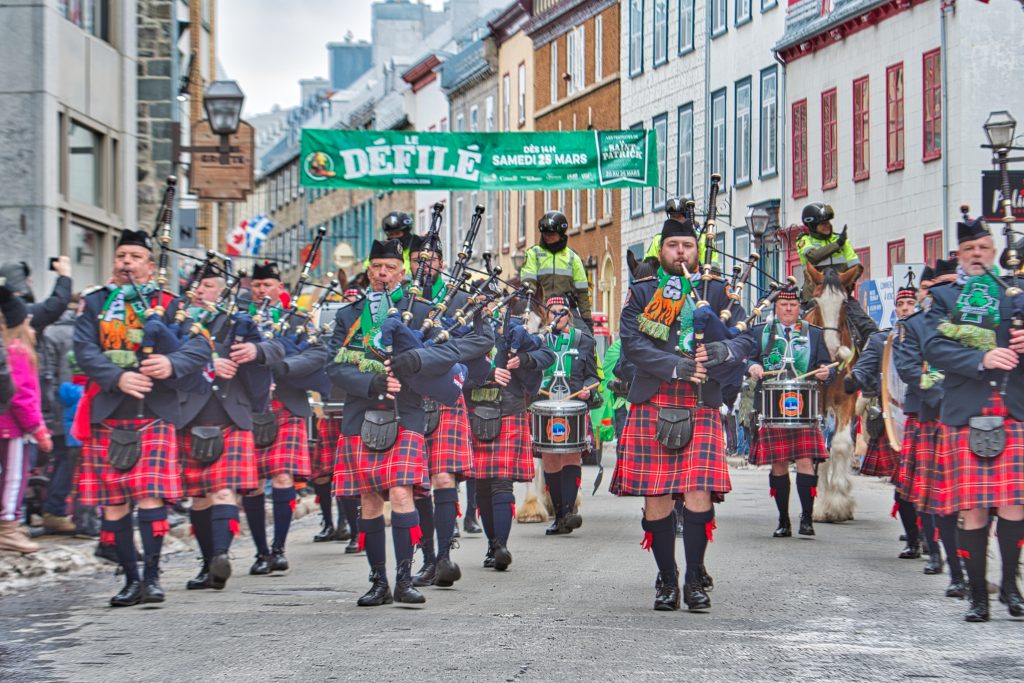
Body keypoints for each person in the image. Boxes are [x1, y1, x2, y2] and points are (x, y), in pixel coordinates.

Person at [610, 217, 747, 612]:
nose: (681, 252)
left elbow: (744, 338)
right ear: (661, 250)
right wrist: (675, 365)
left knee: (698, 492)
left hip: (701, 401)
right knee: (657, 497)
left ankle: (693, 578)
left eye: (688, 245)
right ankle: (667, 579)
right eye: (673, 246)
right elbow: (632, 344)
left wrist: (723, 352)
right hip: (654, 396)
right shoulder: (642, 292)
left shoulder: (716, 291)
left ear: (697, 250)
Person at [72, 229, 212, 606]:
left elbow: (199, 347)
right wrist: (116, 377)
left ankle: (151, 578)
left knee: (150, 497)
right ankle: (131, 580)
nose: (126, 263)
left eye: (135, 257)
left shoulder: (170, 304)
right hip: (110, 413)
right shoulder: (98, 303)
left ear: (151, 267)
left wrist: (170, 362)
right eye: (121, 256)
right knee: (115, 502)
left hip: (154, 411)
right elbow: (84, 349)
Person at [328, 238, 462, 606]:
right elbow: (334, 367)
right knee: (370, 500)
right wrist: (370, 381)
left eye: (390, 268)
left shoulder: (420, 311)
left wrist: (413, 362)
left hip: (406, 413)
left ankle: (405, 578)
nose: (382, 274)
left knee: (402, 492)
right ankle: (378, 582)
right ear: (368, 271)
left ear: (402, 272)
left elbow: (447, 354)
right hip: (361, 416)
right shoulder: (348, 316)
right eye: (376, 268)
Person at [923, 218, 1024, 622]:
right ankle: (978, 594)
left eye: (984, 247)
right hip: (967, 410)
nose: (978, 254)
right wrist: (979, 359)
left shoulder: (1015, 294)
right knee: (975, 509)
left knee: (1015, 504)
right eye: (970, 249)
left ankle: (1011, 588)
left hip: (1013, 407)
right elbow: (934, 346)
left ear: (994, 249)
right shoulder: (948, 298)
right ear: (960, 255)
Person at [178, 264, 283, 591]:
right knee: (198, 498)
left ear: (221, 289)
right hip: (191, 414)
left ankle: (221, 557)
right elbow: (168, 358)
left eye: (207, 284)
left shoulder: (238, 319)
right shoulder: (178, 322)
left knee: (224, 490)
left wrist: (256, 350)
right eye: (196, 285)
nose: (199, 290)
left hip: (230, 413)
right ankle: (208, 563)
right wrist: (207, 363)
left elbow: (274, 349)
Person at [406, 235, 495, 589]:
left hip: (445, 397)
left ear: (442, 262)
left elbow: (484, 339)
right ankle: (427, 557)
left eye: (430, 259)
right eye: (417, 260)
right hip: (410, 398)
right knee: (416, 485)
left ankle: (444, 556)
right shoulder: (403, 299)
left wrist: (441, 353)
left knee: (442, 478)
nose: (423, 265)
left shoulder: (462, 297)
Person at [465, 294, 554, 572]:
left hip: (508, 409)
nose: (486, 305)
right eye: (480, 300)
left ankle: (501, 545)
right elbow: (450, 367)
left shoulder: (513, 328)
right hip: (475, 410)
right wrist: (484, 375)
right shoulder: (463, 329)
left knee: (501, 482)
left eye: (489, 300)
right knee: (481, 485)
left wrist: (524, 360)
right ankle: (492, 545)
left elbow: (546, 355)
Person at [240, 260, 318, 575]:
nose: (262, 291)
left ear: (279, 288)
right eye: (257, 286)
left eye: (267, 285)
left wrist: (283, 363)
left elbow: (313, 354)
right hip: (249, 407)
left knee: (283, 477)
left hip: (285, 403)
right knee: (252, 483)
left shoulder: (295, 320)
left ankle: (279, 549)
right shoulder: (238, 319)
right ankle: (260, 552)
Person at [895, 259, 965, 596]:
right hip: (928, 411)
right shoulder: (915, 325)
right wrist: (941, 395)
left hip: (964, 413)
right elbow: (909, 368)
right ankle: (936, 553)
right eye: (943, 287)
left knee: (962, 494)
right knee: (928, 491)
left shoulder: (969, 318)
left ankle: (964, 564)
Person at [741, 286, 834, 537]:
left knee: (806, 462)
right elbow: (746, 359)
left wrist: (827, 371)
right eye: (783, 304)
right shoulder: (761, 332)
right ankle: (783, 519)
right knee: (779, 465)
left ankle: (806, 517)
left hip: (804, 407)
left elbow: (825, 365)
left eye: (793, 305)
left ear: (799, 308)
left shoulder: (813, 334)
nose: (789, 309)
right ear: (776, 307)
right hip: (772, 408)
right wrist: (753, 366)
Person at [846, 286, 922, 558]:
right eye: (900, 303)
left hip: (925, 413)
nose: (905, 308)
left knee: (926, 482)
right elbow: (866, 368)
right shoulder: (881, 341)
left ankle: (929, 538)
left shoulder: (930, 335)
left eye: (910, 303)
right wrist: (855, 379)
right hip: (893, 418)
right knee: (903, 484)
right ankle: (914, 540)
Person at [535, 295, 600, 535]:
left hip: (574, 408)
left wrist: (587, 388)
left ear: (569, 315)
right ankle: (560, 516)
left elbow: (593, 376)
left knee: (572, 456)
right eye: (553, 312)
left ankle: (570, 511)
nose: (558, 316)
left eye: (562, 312)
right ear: (546, 315)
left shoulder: (584, 340)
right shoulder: (538, 340)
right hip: (545, 406)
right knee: (550, 459)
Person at [0, 286, 53, 553]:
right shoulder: (17, 351)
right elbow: (22, 397)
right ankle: (7, 526)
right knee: (14, 478)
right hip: (13, 428)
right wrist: (39, 430)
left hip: (8, 425)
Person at [795, 202, 877, 345]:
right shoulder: (804, 241)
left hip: (840, 295)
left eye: (828, 222)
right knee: (797, 330)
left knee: (868, 328)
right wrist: (837, 244)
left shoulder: (842, 240)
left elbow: (857, 267)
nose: (827, 225)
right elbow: (813, 256)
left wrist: (844, 282)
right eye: (822, 223)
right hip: (815, 298)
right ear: (813, 226)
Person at [37, 296, 80, 534]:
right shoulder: (77, 331)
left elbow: (46, 374)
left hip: (60, 406)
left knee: (63, 458)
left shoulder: (51, 331)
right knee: (67, 460)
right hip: (73, 405)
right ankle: (56, 509)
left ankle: (57, 509)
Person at [520, 211, 593, 330]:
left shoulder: (573, 257)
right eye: (545, 234)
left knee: (586, 338)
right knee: (523, 333)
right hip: (540, 307)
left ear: (561, 234)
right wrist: (530, 293)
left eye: (552, 234)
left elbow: (582, 293)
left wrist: (587, 320)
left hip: (566, 308)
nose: (548, 237)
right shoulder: (533, 253)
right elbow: (528, 280)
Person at [0, 256, 74, 334]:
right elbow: (54, 306)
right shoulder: (17, 311)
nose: (31, 281)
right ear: (19, 282)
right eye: (26, 279)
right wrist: (64, 276)